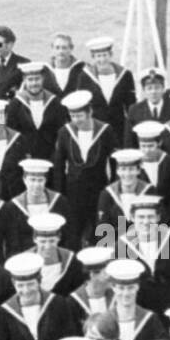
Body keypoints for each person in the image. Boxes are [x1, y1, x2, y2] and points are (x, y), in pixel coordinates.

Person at [53, 90, 116, 246]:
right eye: (73, 116)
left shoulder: (105, 131)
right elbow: (59, 166)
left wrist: (112, 189)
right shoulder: (65, 133)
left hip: (98, 189)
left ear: (89, 112)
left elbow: (114, 163)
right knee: (73, 233)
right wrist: (60, 194)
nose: (76, 120)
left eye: (80, 116)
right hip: (73, 192)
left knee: (100, 231)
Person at [73, 36, 137, 142]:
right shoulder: (85, 76)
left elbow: (131, 105)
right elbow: (82, 106)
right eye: (98, 56)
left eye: (104, 55)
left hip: (119, 128)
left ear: (110, 55)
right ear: (93, 57)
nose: (102, 60)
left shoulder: (125, 74)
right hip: (95, 129)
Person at [6, 60, 67, 164]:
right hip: (25, 158)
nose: (34, 83)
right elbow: (12, 132)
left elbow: (61, 130)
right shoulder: (16, 104)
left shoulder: (54, 102)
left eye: (37, 79)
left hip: (50, 156)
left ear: (43, 79)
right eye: (30, 80)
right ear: (24, 81)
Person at [123, 68, 170, 145]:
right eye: (149, 88)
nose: (153, 92)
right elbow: (129, 141)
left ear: (163, 89)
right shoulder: (134, 110)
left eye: (157, 88)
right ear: (144, 90)